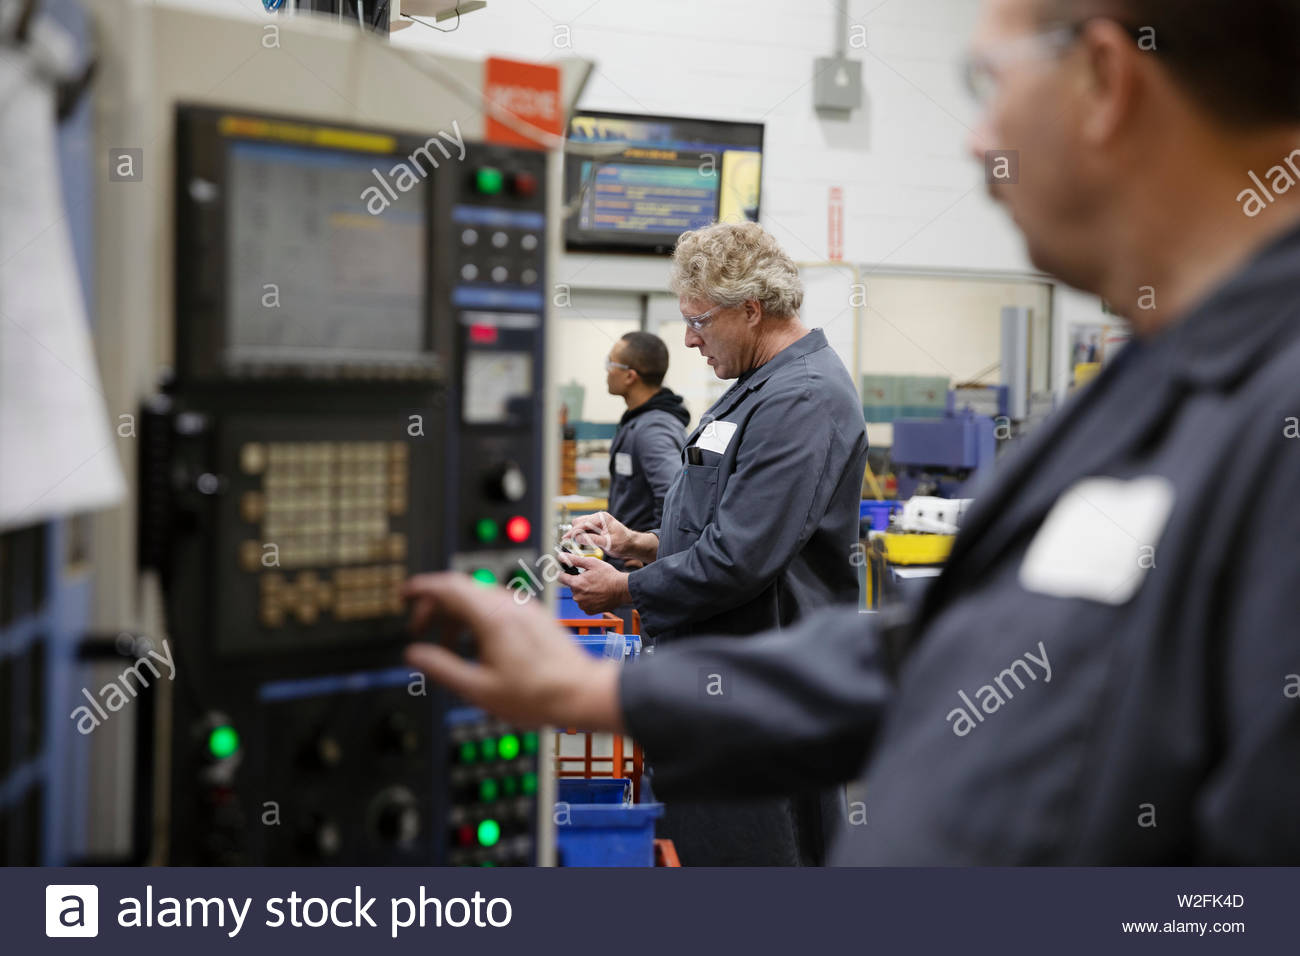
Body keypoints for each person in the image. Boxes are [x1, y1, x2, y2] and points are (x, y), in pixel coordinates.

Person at [406, 0, 1300, 864]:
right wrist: (598, 688)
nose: (975, 140)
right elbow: (931, 658)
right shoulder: (1159, 382)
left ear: (1107, 79)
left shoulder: (1267, 413)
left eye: (985, 80)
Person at [557, 222, 869, 866]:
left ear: (751, 310)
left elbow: (741, 558)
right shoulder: (757, 390)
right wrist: (639, 542)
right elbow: (719, 524)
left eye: (699, 321)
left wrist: (624, 590)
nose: (690, 339)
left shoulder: (802, 399)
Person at [603, 332, 689, 547]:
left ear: (630, 376)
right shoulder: (639, 420)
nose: (607, 370)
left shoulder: (653, 429)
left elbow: (673, 495)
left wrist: (649, 553)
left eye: (611, 363)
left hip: (636, 564)